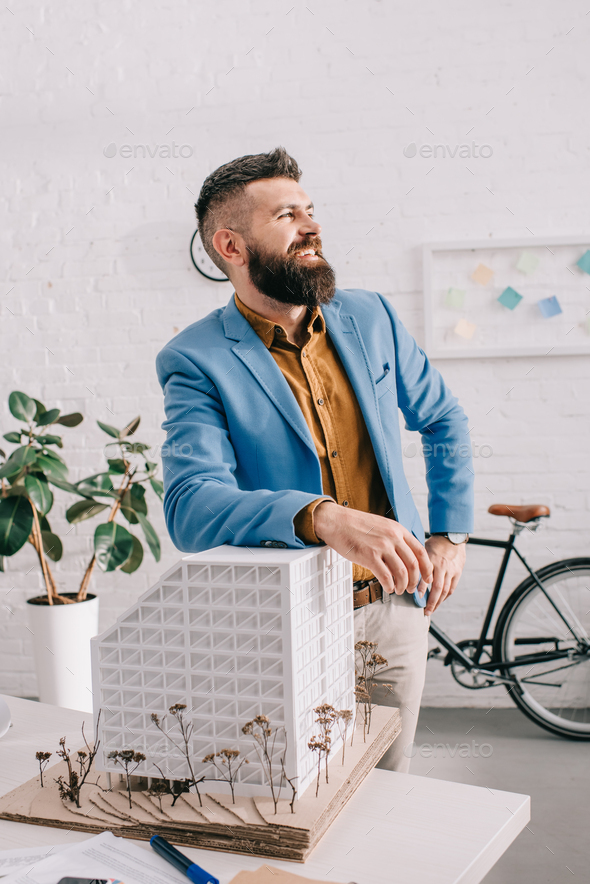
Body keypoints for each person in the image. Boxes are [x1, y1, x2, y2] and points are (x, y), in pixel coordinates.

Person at [155, 146, 473, 772]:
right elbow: (191, 507)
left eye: (309, 209)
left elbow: (443, 419)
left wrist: (450, 535)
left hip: (395, 610)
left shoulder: (372, 316)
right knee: (295, 796)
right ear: (231, 246)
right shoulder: (194, 359)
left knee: (386, 789)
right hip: (283, 627)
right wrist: (320, 516)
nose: (311, 225)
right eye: (286, 215)